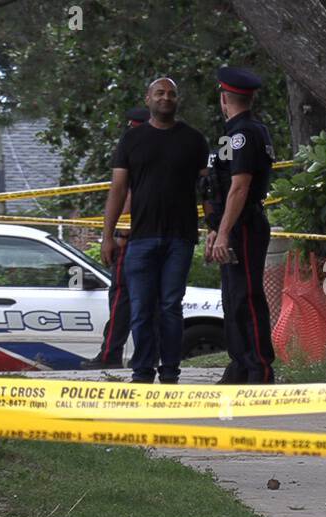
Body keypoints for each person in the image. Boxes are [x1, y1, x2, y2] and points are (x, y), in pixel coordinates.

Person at [102, 78, 209, 384]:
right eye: (160, 93)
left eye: (172, 93)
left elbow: (208, 190)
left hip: (181, 237)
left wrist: (215, 229)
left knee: (170, 305)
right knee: (141, 307)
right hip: (141, 238)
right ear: (148, 98)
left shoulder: (194, 140)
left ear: (178, 100)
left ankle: (171, 371)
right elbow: (118, 189)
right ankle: (142, 371)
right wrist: (107, 236)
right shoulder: (131, 140)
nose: (166, 98)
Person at [203, 66, 276, 385]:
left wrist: (224, 231)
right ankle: (239, 363)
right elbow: (217, 189)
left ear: (224, 98)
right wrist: (213, 228)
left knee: (246, 295)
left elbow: (240, 187)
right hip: (229, 224)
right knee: (232, 296)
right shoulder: (231, 134)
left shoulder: (245, 134)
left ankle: (259, 367)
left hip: (243, 225)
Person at [81, 107, 150, 370]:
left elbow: (126, 195)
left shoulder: (136, 155)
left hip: (130, 240)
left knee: (122, 298)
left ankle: (110, 353)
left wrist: (118, 234)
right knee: (148, 299)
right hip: (153, 237)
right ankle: (145, 354)